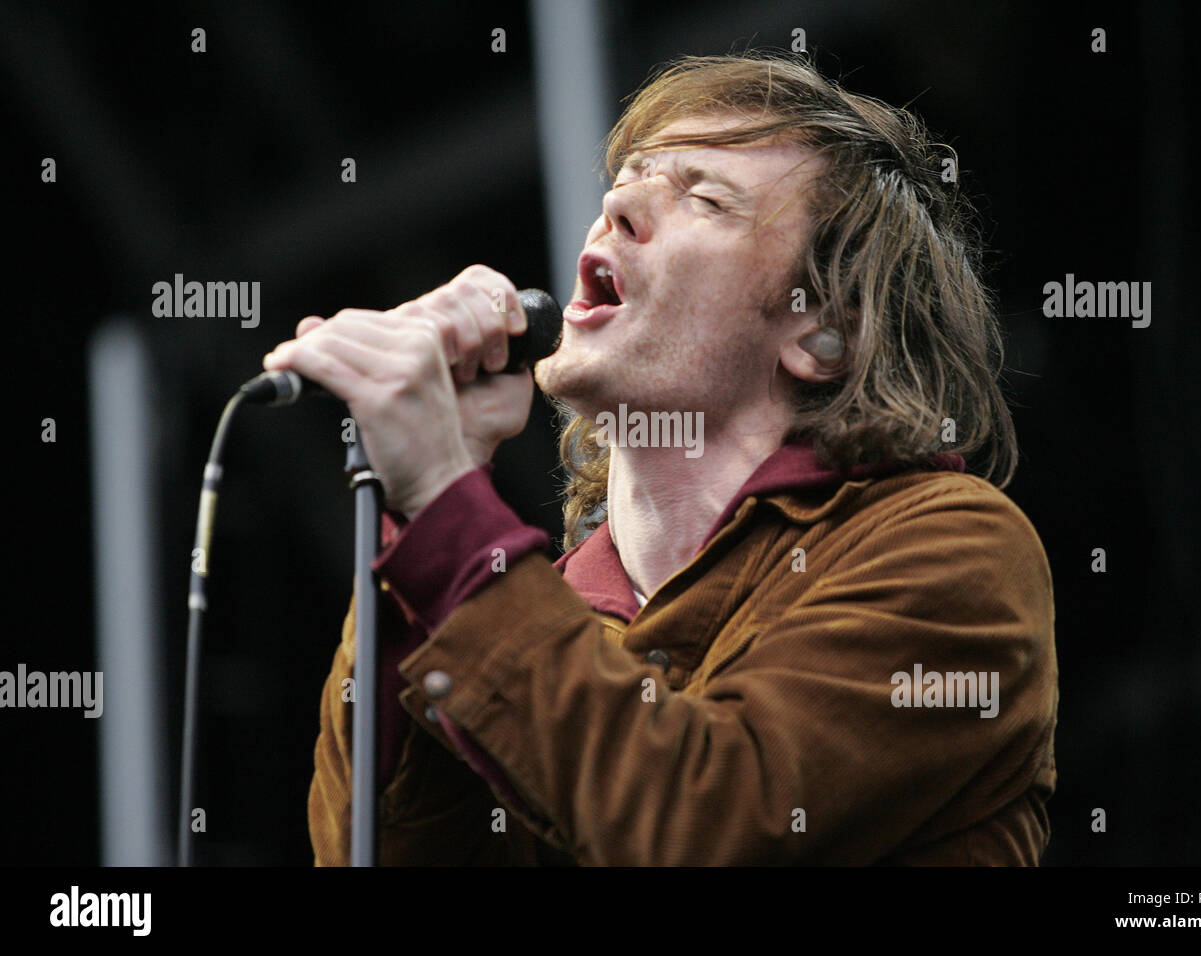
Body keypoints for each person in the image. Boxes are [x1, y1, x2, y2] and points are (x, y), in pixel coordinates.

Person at [265, 52, 1058, 866]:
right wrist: (421, 526)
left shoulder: (951, 550)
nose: (618, 203)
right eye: (632, 175)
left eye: (706, 198)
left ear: (824, 332)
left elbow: (706, 827)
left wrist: (444, 504)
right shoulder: (541, 607)